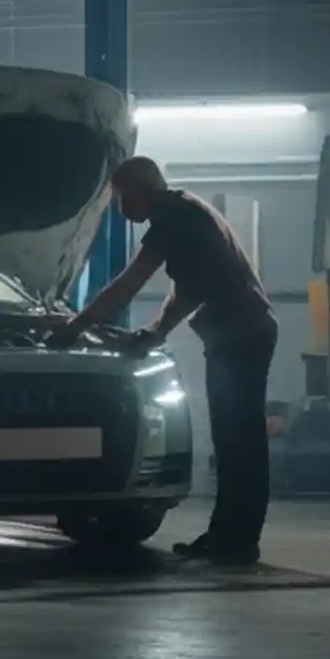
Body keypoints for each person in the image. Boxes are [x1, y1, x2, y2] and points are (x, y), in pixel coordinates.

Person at [51, 156, 277, 564]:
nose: (121, 208)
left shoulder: (173, 218)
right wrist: (156, 331)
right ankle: (228, 536)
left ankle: (238, 541)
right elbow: (185, 287)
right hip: (241, 333)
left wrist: (78, 324)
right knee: (233, 439)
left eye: (121, 198)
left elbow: (131, 282)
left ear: (139, 190)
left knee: (239, 441)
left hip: (240, 334)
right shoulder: (184, 211)